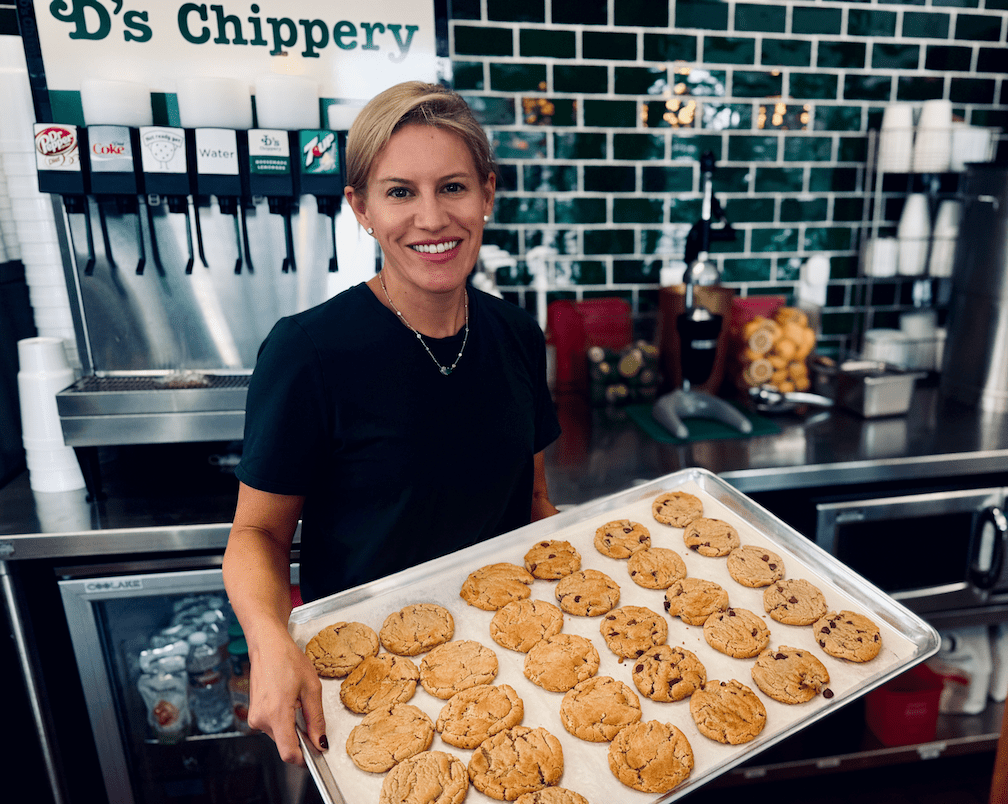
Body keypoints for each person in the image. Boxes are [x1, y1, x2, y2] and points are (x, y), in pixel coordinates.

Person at [221, 81, 562, 766]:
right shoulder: (310, 352)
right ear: (362, 209)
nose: (432, 218)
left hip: (508, 677)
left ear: (488, 194)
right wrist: (268, 638)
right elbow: (256, 532)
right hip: (367, 689)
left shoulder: (518, 336)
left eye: (454, 188)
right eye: (400, 192)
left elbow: (531, 503)